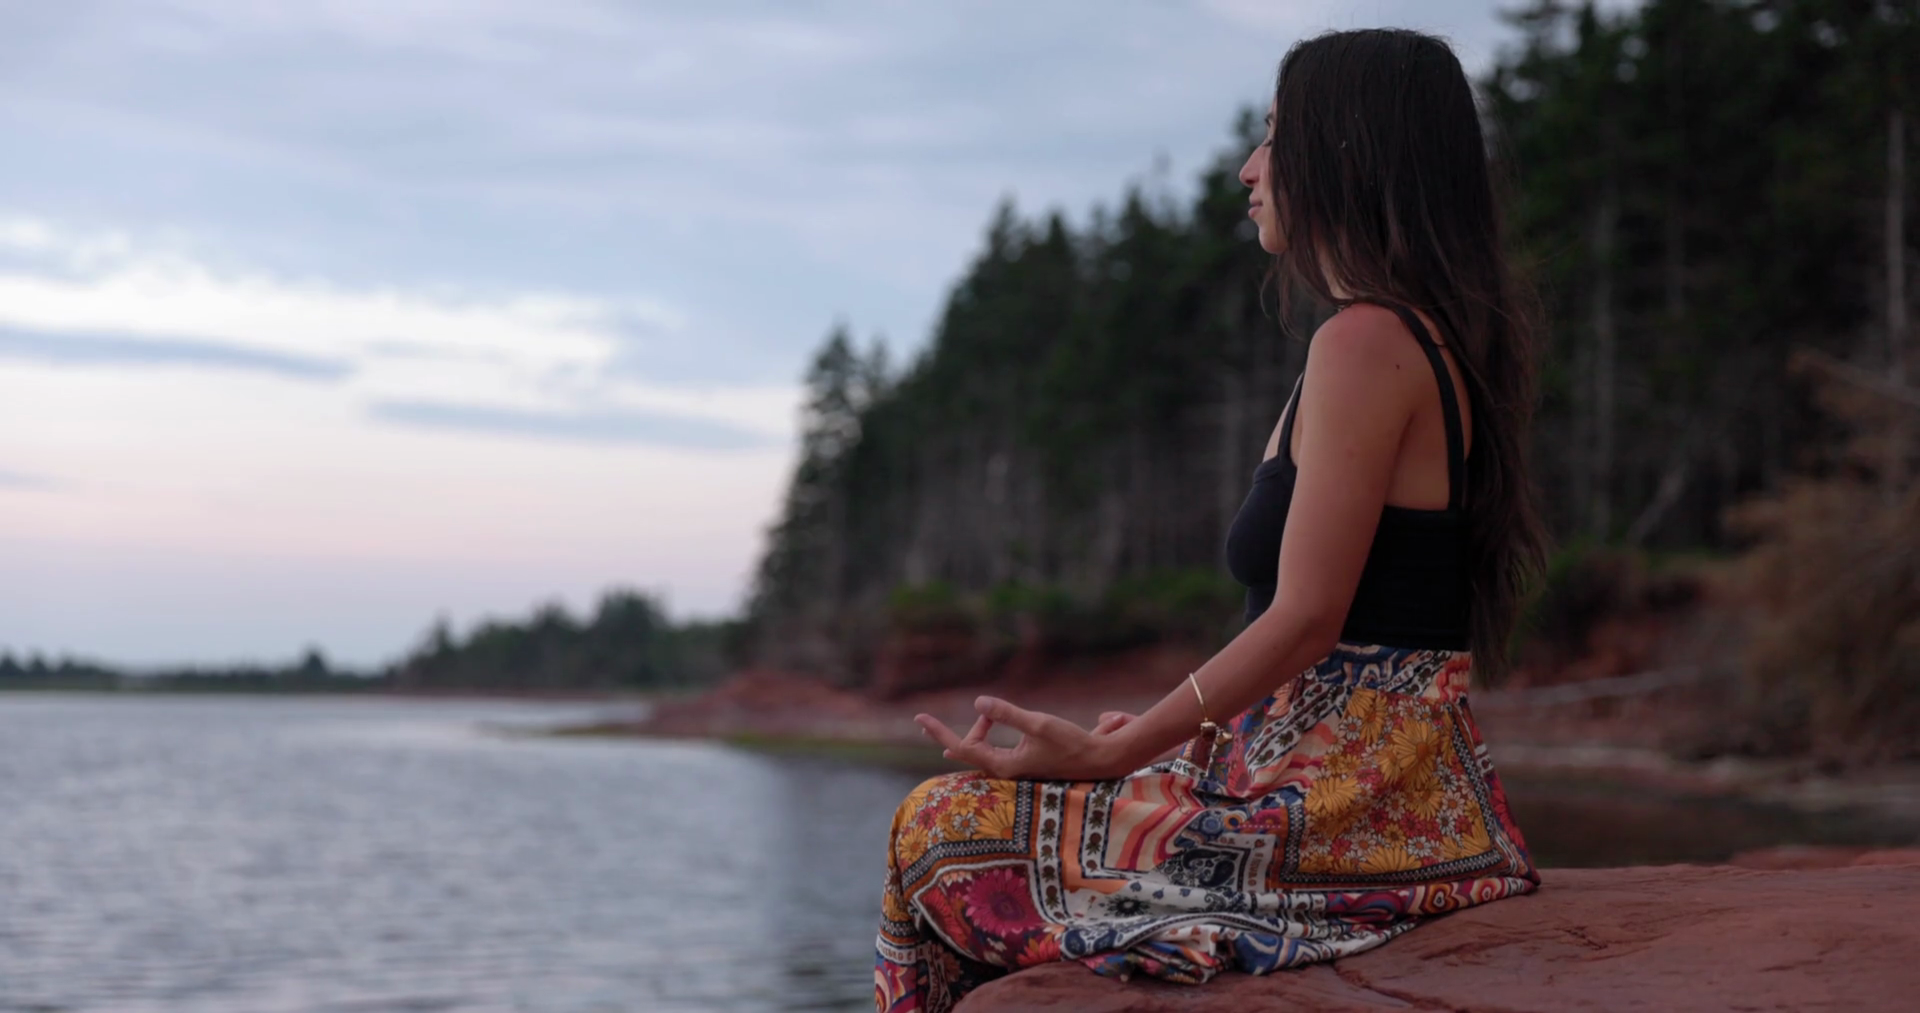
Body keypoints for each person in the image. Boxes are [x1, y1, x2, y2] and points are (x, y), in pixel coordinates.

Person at [874, 27, 1549, 1013]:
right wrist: (1168, 746)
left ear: (1345, 152)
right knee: (955, 825)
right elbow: (1315, 628)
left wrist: (1119, 752)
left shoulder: (1368, 341)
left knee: (941, 830)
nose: (1249, 168)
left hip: (1359, 815)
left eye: (1274, 136)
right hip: (1320, 788)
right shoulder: (1393, 338)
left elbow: (1310, 617)